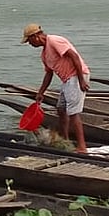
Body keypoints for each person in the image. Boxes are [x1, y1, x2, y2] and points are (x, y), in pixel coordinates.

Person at [21, 23, 90, 152]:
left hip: (76, 76)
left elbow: (74, 56)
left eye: (29, 41)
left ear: (36, 36)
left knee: (73, 112)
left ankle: (82, 147)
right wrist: (41, 92)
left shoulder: (54, 41)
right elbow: (49, 74)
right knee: (61, 109)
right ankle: (65, 140)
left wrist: (81, 80)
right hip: (67, 80)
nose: (30, 44)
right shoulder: (44, 54)